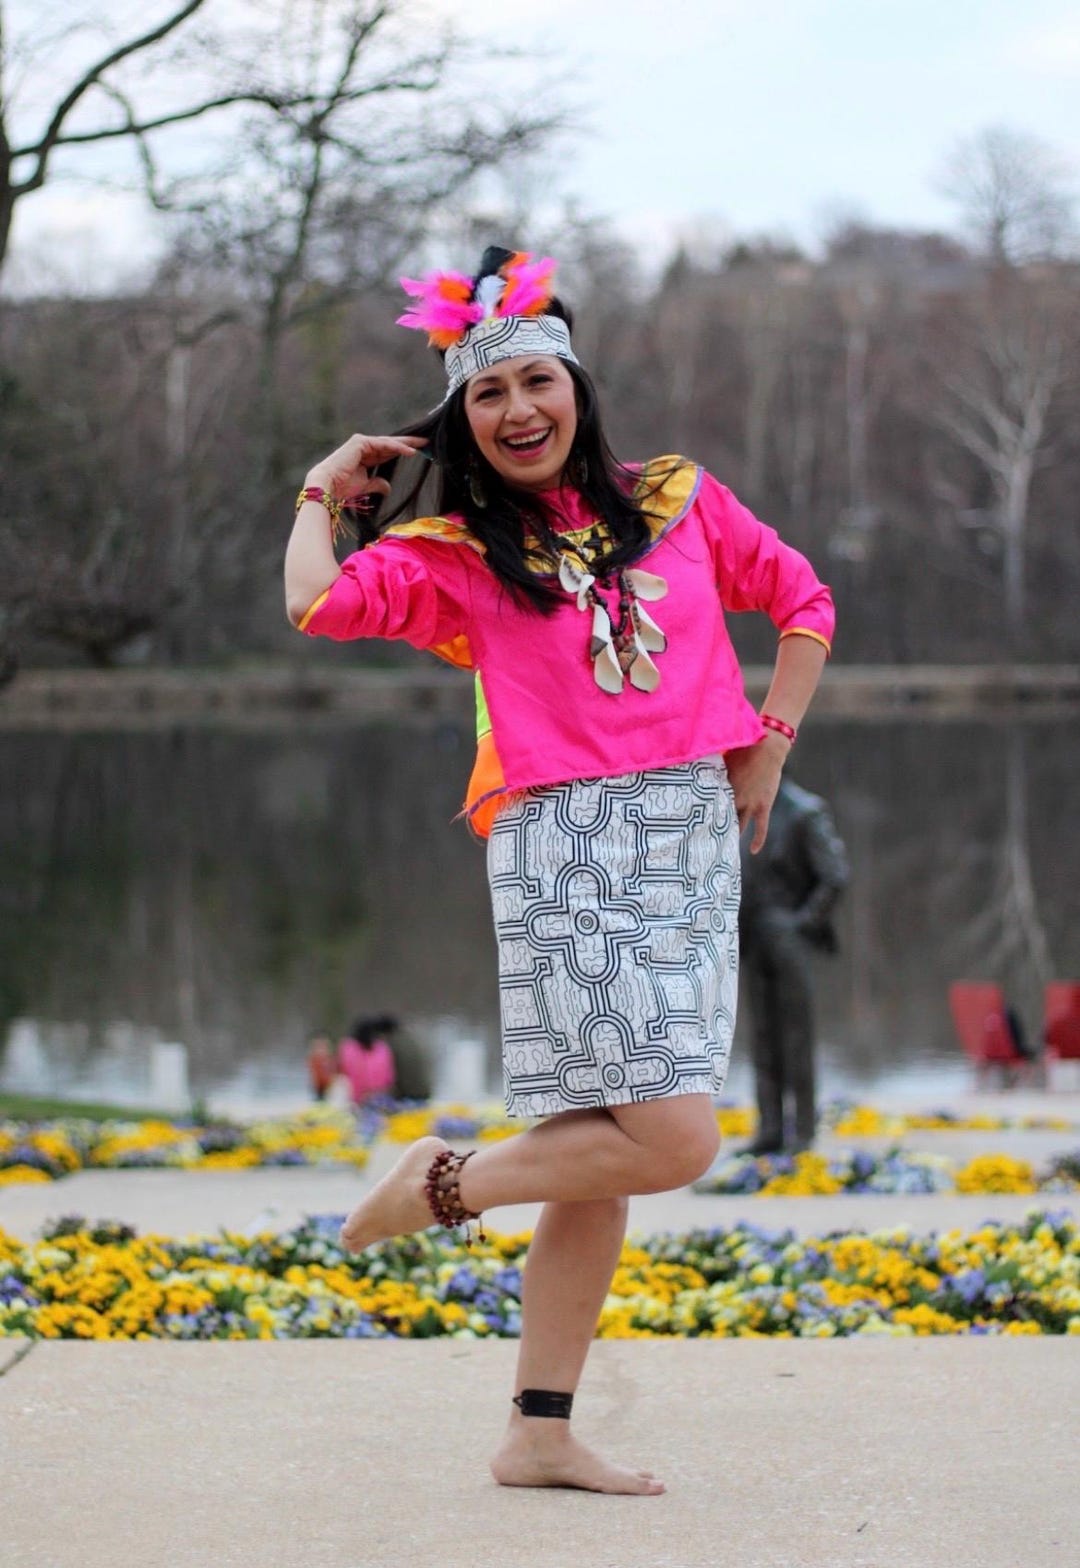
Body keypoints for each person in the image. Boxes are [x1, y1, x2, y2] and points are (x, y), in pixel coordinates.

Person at [283, 245, 834, 1495]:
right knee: (673, 1137)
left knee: (602, 1142)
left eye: (539, 381)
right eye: (488, 395)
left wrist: (769, 745)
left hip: (691, 840)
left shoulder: (680, 498)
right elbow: (314, 603)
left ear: (577, 387)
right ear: (461, 421)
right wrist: (324, 486)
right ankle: (441, 1180)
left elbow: (802, 601)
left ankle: (539, 1425)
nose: (519, 410)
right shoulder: (455, 553)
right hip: (568, 845)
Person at [738, 776, 849, 1155]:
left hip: (789, 935)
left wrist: (801, 923)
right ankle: (769, 1130)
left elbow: (834, 876)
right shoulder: (741, 807)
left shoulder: (804, 811)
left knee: (797, 1036)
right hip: (751, 936)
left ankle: (802, 1131)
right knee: (763, 1037)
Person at [337, 1014, 398, 1105]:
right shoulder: (382, 1048)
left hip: (363, 1099)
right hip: (374, 1097)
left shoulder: (347, 1048)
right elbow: (390, 1078)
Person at [306, 1031, 337, 1102]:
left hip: (328, 1088)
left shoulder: (329, 1060)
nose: (321, 1050)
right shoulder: (313, 1060)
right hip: (318, 1088)